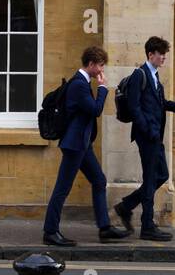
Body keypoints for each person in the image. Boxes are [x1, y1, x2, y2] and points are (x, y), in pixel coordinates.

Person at [42, 46, 130, 246]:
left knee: (99, 181)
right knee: (62, 189)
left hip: (83, 143)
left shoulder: (82, 82)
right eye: (100, 65)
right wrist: (102, 89)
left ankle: (105, 228)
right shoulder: (79, 85)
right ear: (90, 64)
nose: (101, 70)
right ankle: (50, 231)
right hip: (74, 145)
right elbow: (95, 110)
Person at [113, 36, 175, 241]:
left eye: (164, 54)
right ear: (151, 54)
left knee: (160, 176)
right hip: (147, 136)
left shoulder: (154, 76)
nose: (164, 58)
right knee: (151, 178)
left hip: (154, 136)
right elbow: (134, 108)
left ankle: (126, 206)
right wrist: (147, 131)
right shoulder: (139, 75)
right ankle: (147, 226)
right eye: (161, 54)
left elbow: (161, 103)